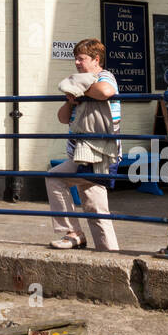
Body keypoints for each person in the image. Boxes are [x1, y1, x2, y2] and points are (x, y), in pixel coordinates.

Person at [46, 38, 122, 251]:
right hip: (81, 153)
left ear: (96, 59)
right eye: (76, 59)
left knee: (96, 207)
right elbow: (63, 117)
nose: (77, 63)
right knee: (58, 180)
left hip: (99, 153)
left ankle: (108, 255)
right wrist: (70, 100)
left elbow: (106, 92)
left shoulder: (104, 76)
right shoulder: (81, 84)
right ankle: (76, 234)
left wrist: (80, 89)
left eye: (81, 58)